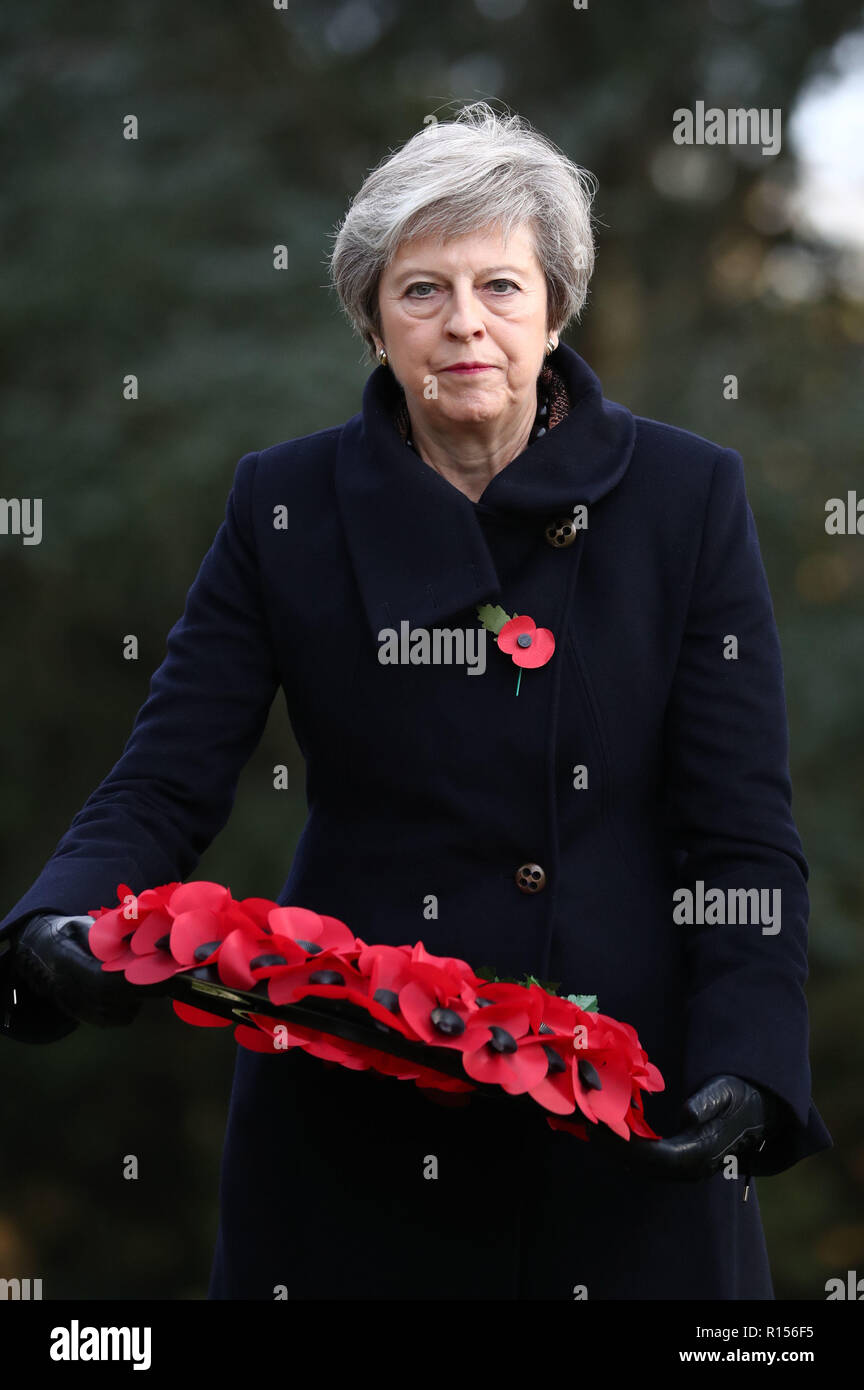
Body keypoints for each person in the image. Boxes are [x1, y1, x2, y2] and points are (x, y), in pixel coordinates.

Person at [0, 101, 832, 1300]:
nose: (465, 327)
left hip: (627, 1124)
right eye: (422, 291)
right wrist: (56, 922)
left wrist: (750, 1063)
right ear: (374, 320)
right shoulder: (282, 506)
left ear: (553, 308)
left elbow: (744, 829)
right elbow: (167, 776)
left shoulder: (686, 499)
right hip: (350, 1116)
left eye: (500, 287)